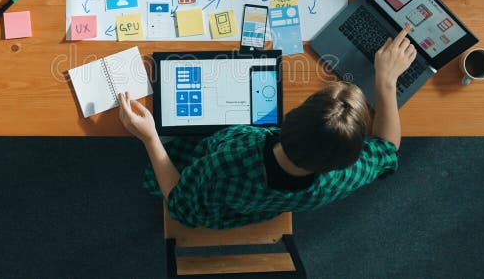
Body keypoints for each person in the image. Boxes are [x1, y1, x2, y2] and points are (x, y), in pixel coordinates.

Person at [118, 25, 416, 229]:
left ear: (288, 119)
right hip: (258, 206)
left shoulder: (233, 157)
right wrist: (387, 83)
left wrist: (150, 138)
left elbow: (182, 206)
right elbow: (388, 150)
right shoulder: (342, 176)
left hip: (211, 195)